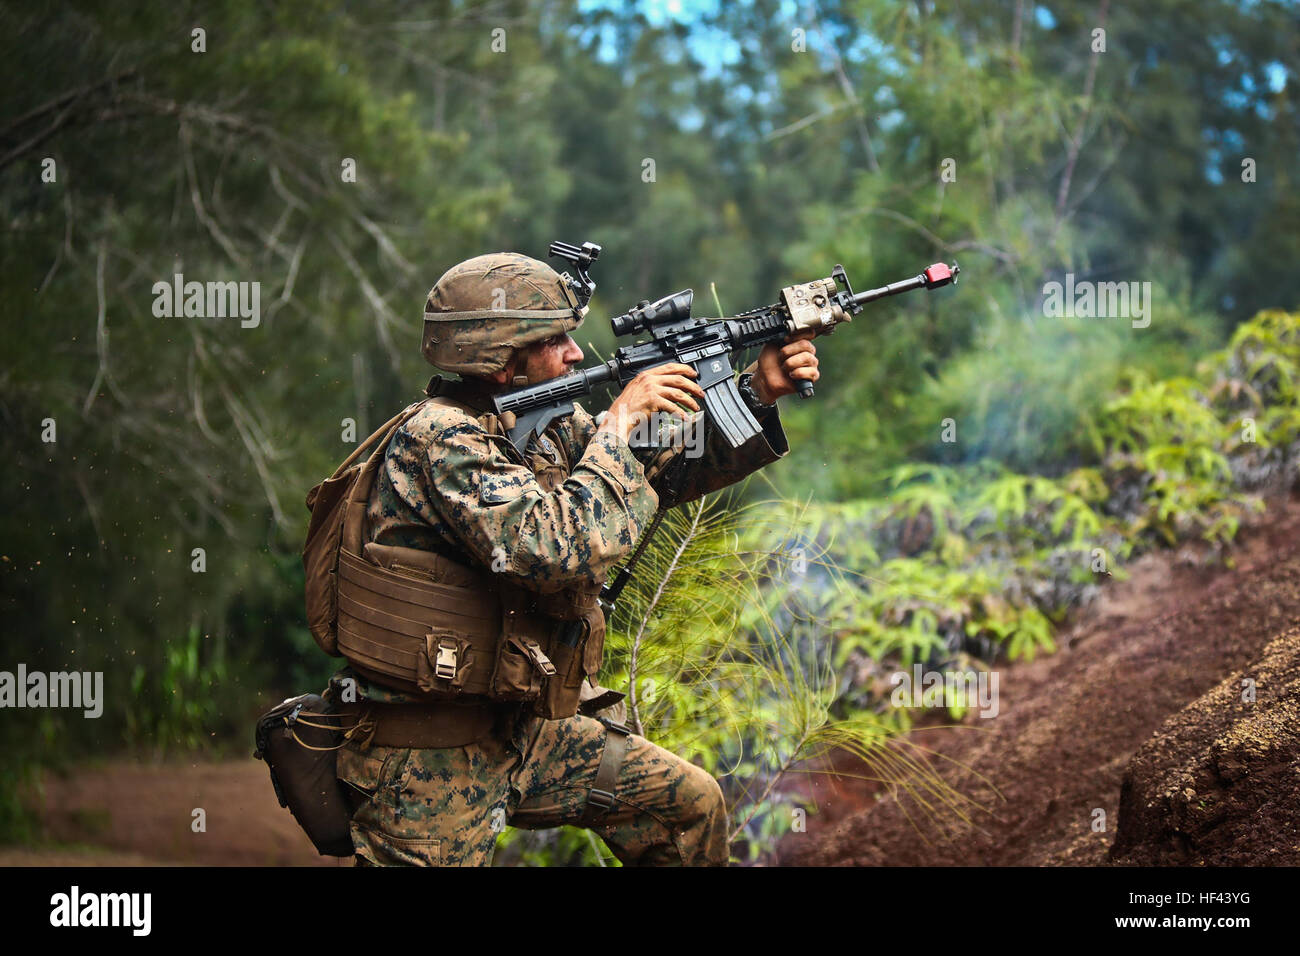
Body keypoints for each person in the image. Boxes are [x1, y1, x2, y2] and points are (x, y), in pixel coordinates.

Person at [321, 250, 819, 866]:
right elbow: (553, 548)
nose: (575, 353)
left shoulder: (542, 423)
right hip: (429, 759)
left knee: (688, 808)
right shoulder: (441, 439)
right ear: (502, 358)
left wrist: (757, 391)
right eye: (554, 339)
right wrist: (616, 426)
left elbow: (659, 473)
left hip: (526, 733)